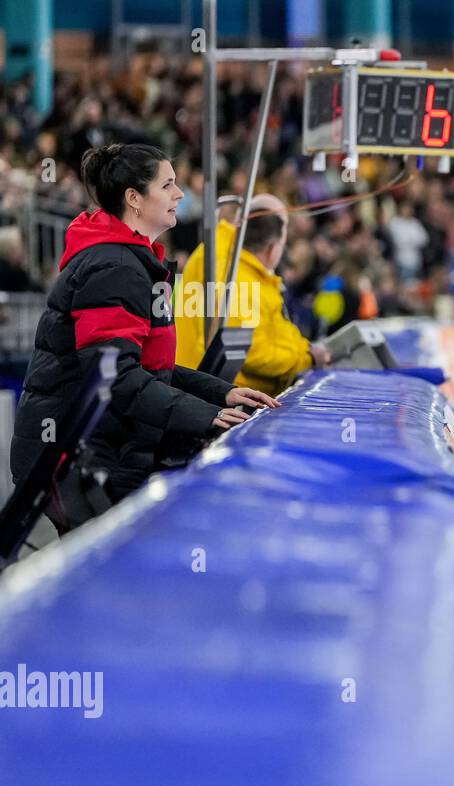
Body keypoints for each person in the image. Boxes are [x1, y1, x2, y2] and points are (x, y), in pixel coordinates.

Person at [9, 143, 279, 530]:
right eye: (167, 185)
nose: (180, 194)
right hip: (78, 457)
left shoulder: (131, 260)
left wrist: (218, 394)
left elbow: (147, 368)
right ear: (134, 198)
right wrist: (208, 417)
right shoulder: (113, 266)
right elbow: (116, 377)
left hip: (103, 448)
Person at [175, 193, 329, 396]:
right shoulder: (232, 272)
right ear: (274, 248)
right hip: (211, 396)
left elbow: (274, 328)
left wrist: (304, 350)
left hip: (207, 391)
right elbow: (248, 351)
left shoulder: (240, 264)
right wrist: (305, 359)